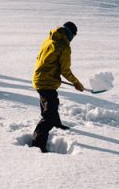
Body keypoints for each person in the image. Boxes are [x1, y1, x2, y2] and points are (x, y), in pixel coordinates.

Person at [31, 21, 84, 152]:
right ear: (71, 34)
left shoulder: (49, 39)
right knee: (48, 115)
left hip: (39, 78)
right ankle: (37, 144)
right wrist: (76, 83)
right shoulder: (64, 46)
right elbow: (65, 70)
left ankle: (57, 124)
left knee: (50, 104)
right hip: (47, 82)